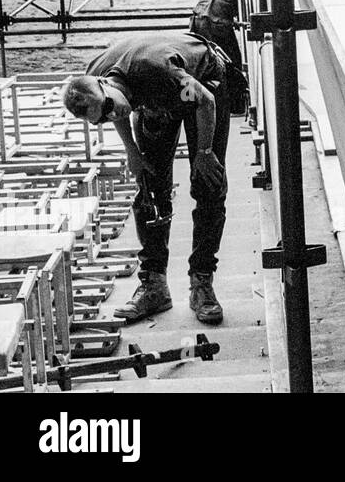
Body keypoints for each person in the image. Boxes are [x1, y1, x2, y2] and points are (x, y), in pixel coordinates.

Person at [61, 32, 234, 325]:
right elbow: (113, 108)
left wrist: (204, 152)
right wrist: (132, 152)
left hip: (203, 84)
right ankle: (154, 286)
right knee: (150, 188)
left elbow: (205, 102)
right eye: (101, 119)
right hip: (151, 99)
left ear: (106, 87)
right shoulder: (95, 80)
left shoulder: (159, 72)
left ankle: (201, 282)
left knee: (208, 182)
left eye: (107, 107)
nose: (113, 114)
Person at [189, 0, 248, 114]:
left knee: (203, 65)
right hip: (215, 22)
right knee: (231, 63)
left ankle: (198, 103)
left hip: (197, 19)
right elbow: (245, 11)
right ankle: (234, 106)